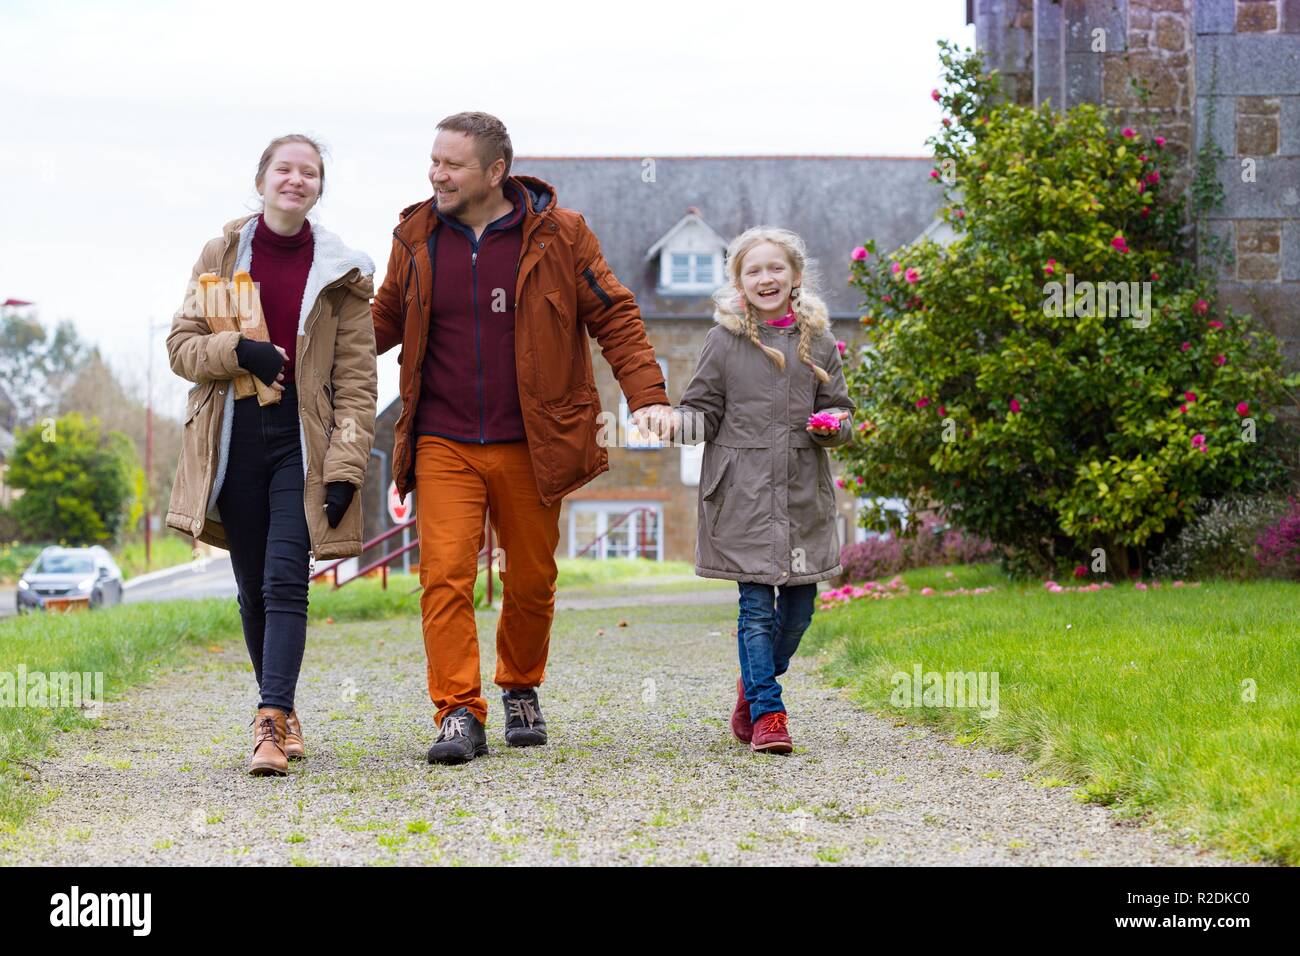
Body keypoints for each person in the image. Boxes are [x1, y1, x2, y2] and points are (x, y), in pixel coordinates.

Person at [371, 112, 673, 765]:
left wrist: (647, 395)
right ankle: (457, 711)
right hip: (442, 438)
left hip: (533, 442)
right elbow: (379, 323)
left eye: (451, 164)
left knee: (531, 580)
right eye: (434, 161)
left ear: (495, 172)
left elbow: (614, 314)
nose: (437, 174)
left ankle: (521, 686)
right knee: (444, 576)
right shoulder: (416, 237)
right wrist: (307, 358)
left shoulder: (561, 236)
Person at [166, 133, 378, 776]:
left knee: (288, 577)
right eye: (284, 169)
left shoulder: (342, 275)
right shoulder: (224, 253)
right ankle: (282, 713)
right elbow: (181, 348)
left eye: (309, 172)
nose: (296, 179)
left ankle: (268, 718)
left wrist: (345, 470)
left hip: (301, 444)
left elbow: (358, 385)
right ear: (261, 181)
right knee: (254, 589)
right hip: (232, 438)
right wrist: (239, 352)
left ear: (319, 187)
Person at [668, 226, 855, 754]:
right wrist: (672, 423)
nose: (766, 277)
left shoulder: (818, 338)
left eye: (776, 268)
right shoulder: (723, 340)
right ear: (739, 280)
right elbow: (701, 412)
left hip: (801, 494)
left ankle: (751, 686)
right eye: (754, 270)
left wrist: (833, 425)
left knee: (798, 613)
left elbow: (841, 408)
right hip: (743, 494)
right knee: (755, 609)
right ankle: (770, 714)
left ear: (795, 276)